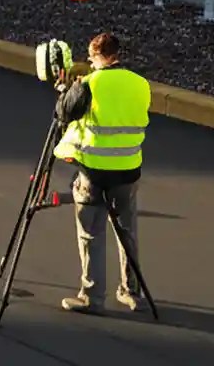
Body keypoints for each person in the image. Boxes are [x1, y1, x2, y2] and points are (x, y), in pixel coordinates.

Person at [51, 32, 151, 314]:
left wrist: (66, 89)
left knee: (91, 232)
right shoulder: (140, 84)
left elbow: (64, 114)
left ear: (95, 56)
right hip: (129, 170)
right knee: (127, 231)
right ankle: (132, 292)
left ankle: (92, 297)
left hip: (94, 171)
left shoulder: (90, 83)